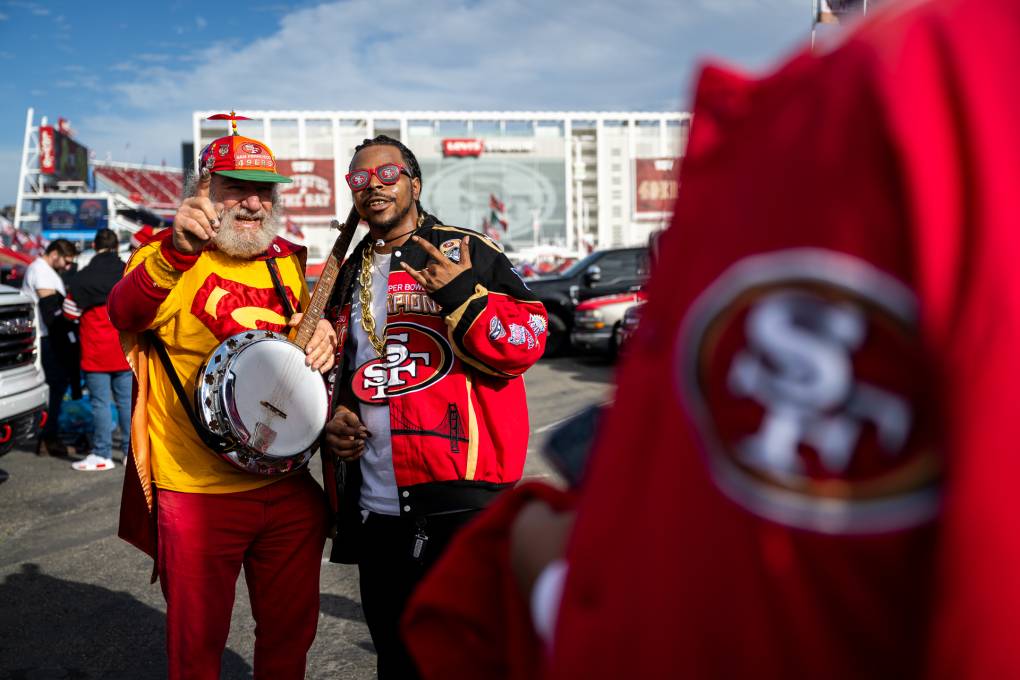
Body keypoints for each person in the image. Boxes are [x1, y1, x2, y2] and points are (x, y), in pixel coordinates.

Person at [404, 0, 1020, 678]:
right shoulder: (901, 87)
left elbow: (737, 592)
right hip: (383, 503)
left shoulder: (900, 88)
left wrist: (528, 554)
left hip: (486, 513)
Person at [108, 127, 337, 680]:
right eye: (237, 187)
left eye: (266, 190)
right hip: (197, 492)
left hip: (286, 487)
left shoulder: (284, 262)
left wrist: (325, 330)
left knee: (291, 636)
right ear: (204, 188)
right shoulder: (164, 255)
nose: (254, 202)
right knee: (197, 648)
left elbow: (297, 344)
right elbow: (125, 312)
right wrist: (174, 251)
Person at [321, 135, 548, 679]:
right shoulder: (346, 271)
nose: (372, 185)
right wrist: (338, 416)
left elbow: (529, 341)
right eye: (359, 178)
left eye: (388, 173)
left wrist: (464, 296)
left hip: (460, 501)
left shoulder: (464, 249)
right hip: (376, 506)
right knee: (397, 662)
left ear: (414, 184)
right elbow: (345, 365)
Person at [61, 229, 130, 471]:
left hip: (95, 351)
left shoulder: (82, 277)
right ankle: (129, 453)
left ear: (94, 244)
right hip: (124, 350)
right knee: (125, 402)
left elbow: (70, 312)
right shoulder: (127, 272)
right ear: (115, 246)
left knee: (100, 404)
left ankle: (102, 454)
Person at [22, 238, 79, 456]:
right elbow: (51, 314)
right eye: (66, 261)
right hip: (47, 338)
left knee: (57, 385)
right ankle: (47, 437)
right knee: (55, 386)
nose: (68, 266)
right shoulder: (41, 271)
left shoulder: (45, 270)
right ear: (55, 253)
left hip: (49, 337)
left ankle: (48, 435)